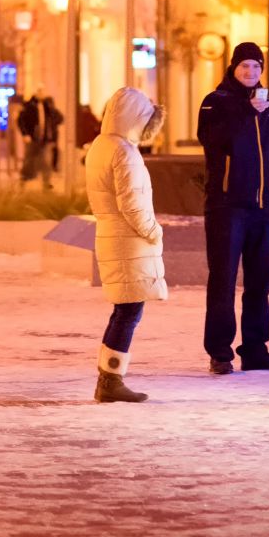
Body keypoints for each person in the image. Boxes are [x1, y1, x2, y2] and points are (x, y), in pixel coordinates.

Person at [197, 40, 269, 375]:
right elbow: (213, 142)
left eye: (256, 67)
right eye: (244, 66)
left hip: (263, 210)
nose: (251, 72)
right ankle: (220, 352)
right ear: (233, 69)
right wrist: (247, 112)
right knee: (222, 280)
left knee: (259, 282)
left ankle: (255, 349)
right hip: (227, 208)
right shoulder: (215, 103)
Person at [82, 86, 167, 402]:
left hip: (113, 237)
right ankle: (110, 380)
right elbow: (132, 204)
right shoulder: (123, 152)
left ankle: (109, 378)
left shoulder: (101, 146)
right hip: (129, 241)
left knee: (124, 310)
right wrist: (153, 231)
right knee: (129, 312)